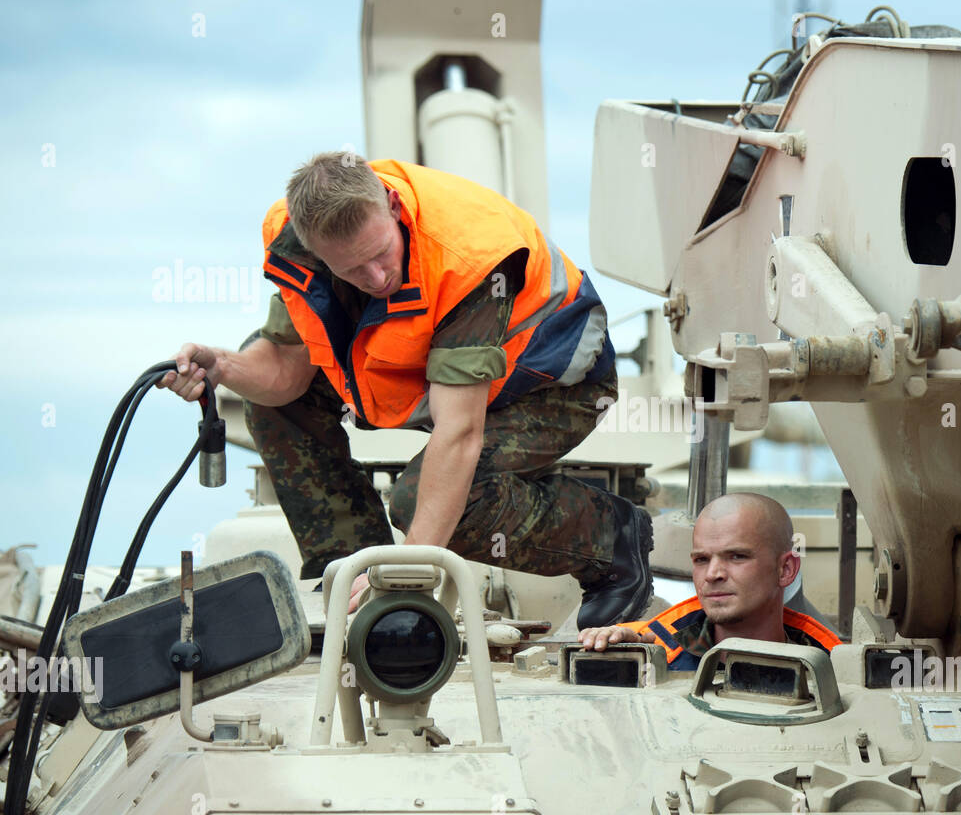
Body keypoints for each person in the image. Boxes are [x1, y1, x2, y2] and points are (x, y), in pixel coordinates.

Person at [161, 152, 652, 627]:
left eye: (380, 255)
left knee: (423, 503)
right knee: (278, 406)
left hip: (553, 386)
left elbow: (459, 435)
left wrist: (405, 576)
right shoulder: (297, 241)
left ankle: (610, 540)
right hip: (431, 375)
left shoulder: (471, 259)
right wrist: (221, 365)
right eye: (352, 269)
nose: (376, 278)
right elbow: (287, 373)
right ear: (315, 250)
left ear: (393, 208)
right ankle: (349, 574)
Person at [578, 493, 840, 669]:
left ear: (785, 569)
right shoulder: (650, 651)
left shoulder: (836, 671)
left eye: (737, 557)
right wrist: (621, 659)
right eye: (701, 559)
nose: (713, 574)